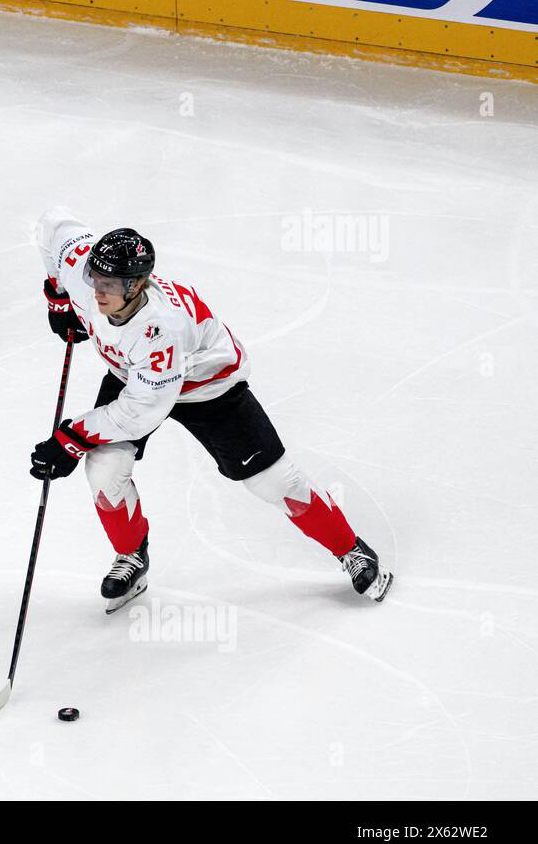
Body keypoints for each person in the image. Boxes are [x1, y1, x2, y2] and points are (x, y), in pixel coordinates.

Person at [28, 207, 392, 611]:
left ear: (136, 285)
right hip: (135, 375)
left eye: (109, 283)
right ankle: (132, 556)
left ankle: (350, 549)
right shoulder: (85, 272)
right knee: (104, 470)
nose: (97, 290)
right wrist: (58, 295)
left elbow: (138, 412)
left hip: (208, 389)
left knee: (274, 482)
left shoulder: (162, 330)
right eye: (94, 278)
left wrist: (70, 438)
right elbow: (52, 227)